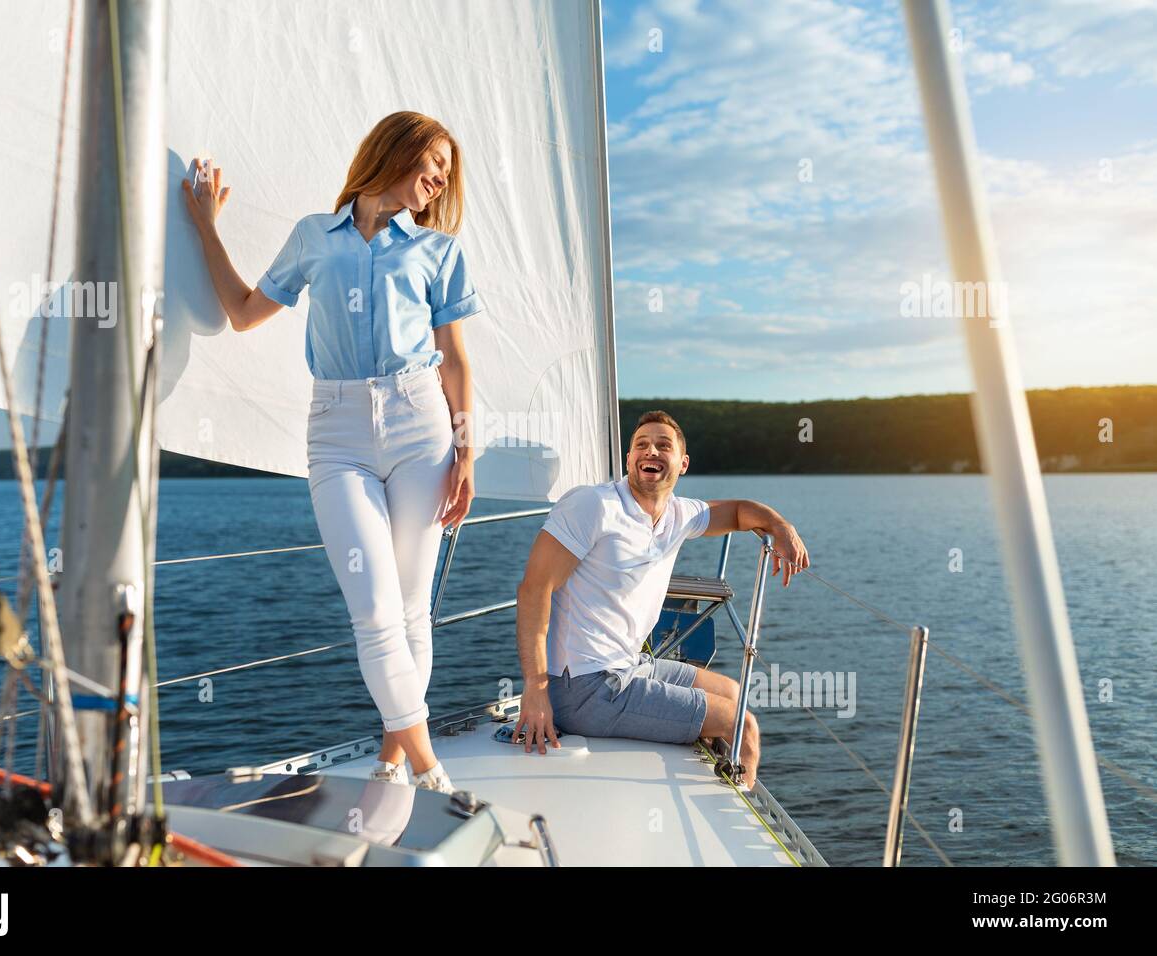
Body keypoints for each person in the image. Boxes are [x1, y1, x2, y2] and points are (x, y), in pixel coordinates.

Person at [183, 111, 484, 793]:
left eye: (446, 173)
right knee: (375, 609)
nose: (438, 180)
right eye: (432, 162)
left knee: (410, 609)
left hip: (422, 426)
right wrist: (206, 227)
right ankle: (432, 769)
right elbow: (242, 312)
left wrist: (467, 454)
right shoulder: (313, 237)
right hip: (337, 431)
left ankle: (394, 755)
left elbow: (458, 364)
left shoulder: (438, 251)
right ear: (395, 152)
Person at [513, 410, 809, 789]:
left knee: (732, 692)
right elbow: (534, 589)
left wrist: (781, 526)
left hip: (631, 665)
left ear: (682, 463)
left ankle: (699, 751)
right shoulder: (594, 506)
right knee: (742, 726)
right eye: (641, 445)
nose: (650, 450)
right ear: (628, 459)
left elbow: (738, 512)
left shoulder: (678, 514)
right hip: (586, 688)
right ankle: (731, 809)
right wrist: (536, 690)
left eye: (663, 445)